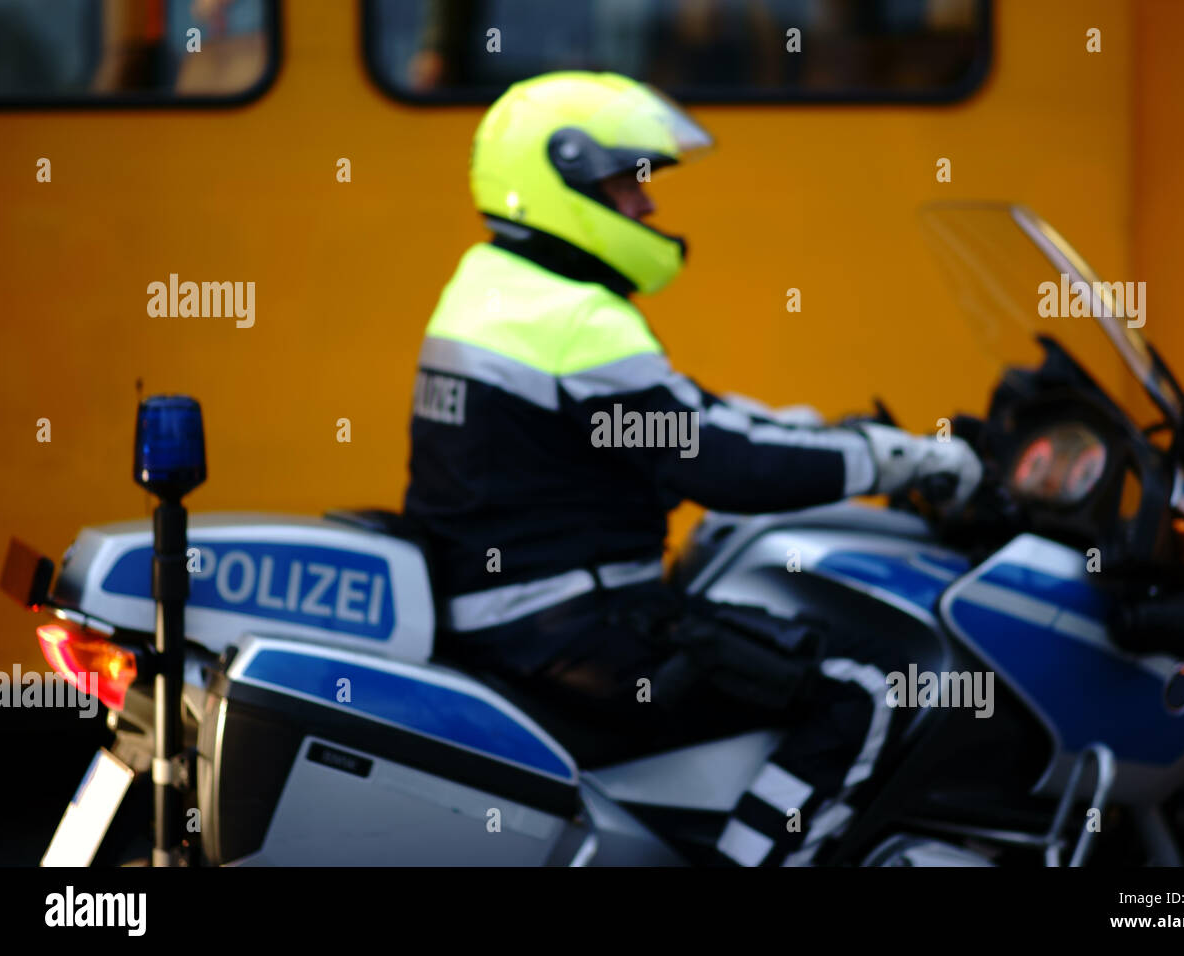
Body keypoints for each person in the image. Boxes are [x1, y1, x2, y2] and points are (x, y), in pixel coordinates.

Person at [402, 71, 982, 866]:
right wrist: (903, 458)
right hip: (573, 631)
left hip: (511, 617)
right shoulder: (576, 319)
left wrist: (821, 433)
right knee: (871, 684)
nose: (646, 207)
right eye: (627, 183)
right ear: (561, 175)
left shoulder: (493, 289)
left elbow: (691, 419)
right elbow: (723, 465)